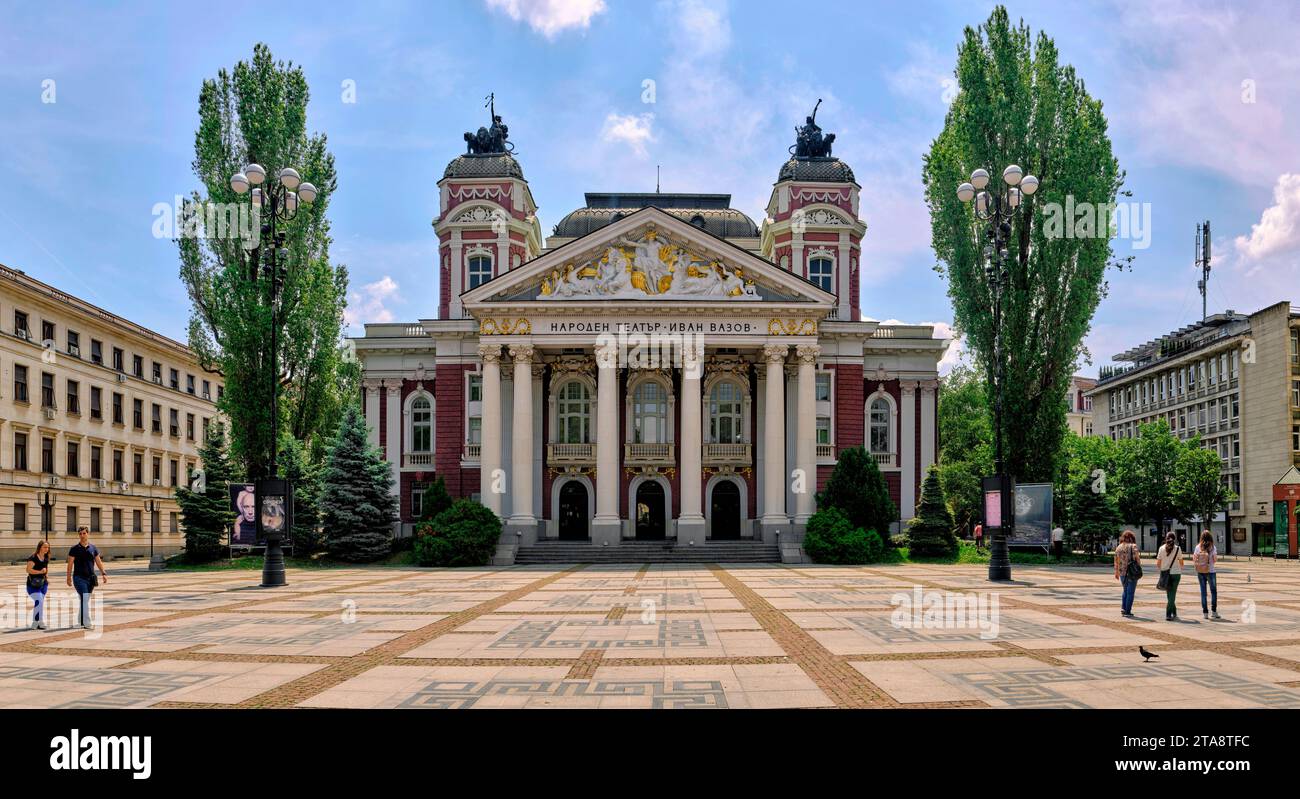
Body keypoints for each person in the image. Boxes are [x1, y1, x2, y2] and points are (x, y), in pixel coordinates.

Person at [66, 526, 108, 629]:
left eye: (84, 533)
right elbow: (70, 564)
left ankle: (80, 621)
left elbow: (98, 561)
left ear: (87, 534)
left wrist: (103, 573)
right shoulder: (74, 549)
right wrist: (68, 577)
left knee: (84, 600)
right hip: (79, 578)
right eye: (80, 534)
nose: (82, 535)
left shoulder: (93, 548)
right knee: (84, 598)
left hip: (91, 579)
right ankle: (87, 622)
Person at [1155, 532, 1184, 621]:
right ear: (1174, 539)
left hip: (1165, 573)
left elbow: (1158, 564)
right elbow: (1181, 563)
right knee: (1172, 594)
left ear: (1166, 538)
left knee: (1170, 594)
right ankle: (1171, 612)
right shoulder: (1178, 549)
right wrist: (1179, 567)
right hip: (1176, 574)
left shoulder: (1161, 548)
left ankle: (1170, 612)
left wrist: (1163, 569)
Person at [1114, 530, 1141, 617]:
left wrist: (1116, 572)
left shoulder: (1119, 547)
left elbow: (1116, 561)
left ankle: (1123, 608)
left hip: (1122, 573)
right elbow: (1137, 559)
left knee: (1125, 590)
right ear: (1131, 538)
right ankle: (1127, 610)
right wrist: (1139, 567)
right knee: (1130, 592)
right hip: (1132, 572)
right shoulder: (1133, 546)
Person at [1194, 530, 1220, 620]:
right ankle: (1214, 611)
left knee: (1203, 592)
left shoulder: (1198, 547)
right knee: (1213, 592)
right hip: (1211, 571)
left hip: (1200, 572)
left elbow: (1194, 559)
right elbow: (1215, 560)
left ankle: (1205, 613)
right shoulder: (1212, 547)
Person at [26, 540, 51, 630]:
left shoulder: (46, 557)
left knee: (39, 602)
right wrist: (40, 572)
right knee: (39, 600)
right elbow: (28, 570)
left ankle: (39, 622)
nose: (46, 549)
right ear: (40, 547)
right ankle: (36, 621)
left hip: (43, 584)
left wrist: (46, 576)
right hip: (32, 585)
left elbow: (46, 569)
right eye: (45, 547)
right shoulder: (33, 557)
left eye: (48, 547)